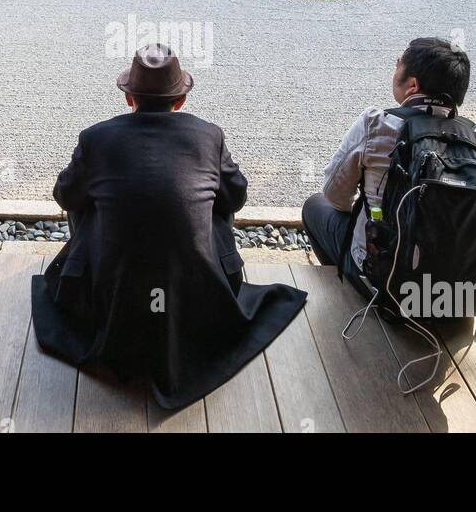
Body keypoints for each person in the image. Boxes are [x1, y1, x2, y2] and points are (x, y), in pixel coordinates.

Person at [31, 44, 307, 410]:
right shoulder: (209, 136)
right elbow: (237, 198)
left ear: (129, 97)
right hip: (197, 293)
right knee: (215, 202)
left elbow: (64, 196)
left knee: (90, 202)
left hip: (113, 293)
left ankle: (90, 279)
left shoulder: (96, 138)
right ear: (181, 100)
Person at [303, 37, 476, 293]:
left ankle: (357, 294)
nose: (394, 68)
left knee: (315, 206)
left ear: (412, 85)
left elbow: (335, 196)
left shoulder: (377, 124)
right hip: (465, 291)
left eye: (398, 64)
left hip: (391, 285)